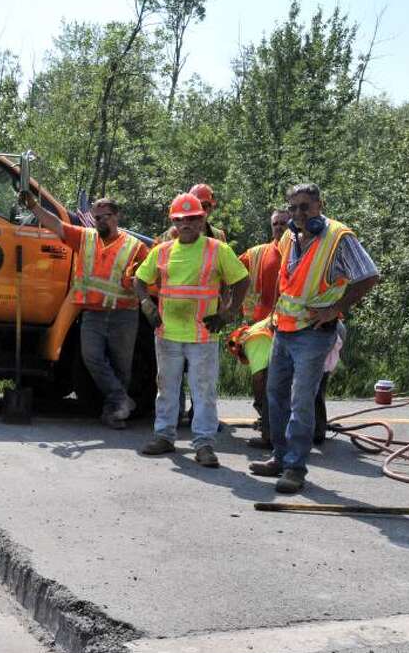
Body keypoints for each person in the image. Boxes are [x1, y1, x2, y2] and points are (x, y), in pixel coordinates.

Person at [249, 183, 379, 493]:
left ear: (320, 205)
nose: (298, 214)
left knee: (301, 401)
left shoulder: (338, 237)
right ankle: (279, 457)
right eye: (293, 208)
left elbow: (369, 275)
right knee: (275, 395)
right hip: (284, 329)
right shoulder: (290, 236)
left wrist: (336, 309)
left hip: (314, 333)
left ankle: (295, 468)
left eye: (304, 207)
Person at [134, 193, 248, 467]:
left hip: (202, 335)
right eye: (181, 219)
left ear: (203, 219)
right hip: (167, 334)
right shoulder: (162, 251)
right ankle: (164, 436)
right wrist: (146, 304)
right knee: (166, 388)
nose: (186, 224)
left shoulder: (217, 249)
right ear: (173, 221)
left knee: (203, 391)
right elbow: (139, 279)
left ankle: (204, 444)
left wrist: (228, 312)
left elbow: (242, 279)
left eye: (193, 218)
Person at [23, 192, 149, 428]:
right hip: (92, 314)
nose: (101, 221)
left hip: (124, 314)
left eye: (106, 216)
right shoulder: (85, 238)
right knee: (92, 358)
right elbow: (57, 225)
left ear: (117, 216)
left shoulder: (136, 247)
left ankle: (114, 413)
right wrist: (34, 207)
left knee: (122, 366)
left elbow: (149, 277)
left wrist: (137, 281)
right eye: (97, 217)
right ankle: (121, 399)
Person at [230, 208, 288, 449]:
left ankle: (312, 430)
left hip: (293, 327)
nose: (280, 227)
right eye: (276, 223)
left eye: (285, 223)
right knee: (261, 379)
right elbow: (228, 273)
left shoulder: (304, 252)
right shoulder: (256, 254)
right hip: (259, 331)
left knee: (299, 383)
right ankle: (268, 430)